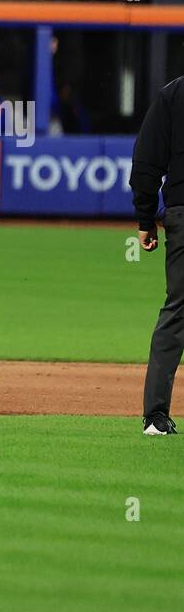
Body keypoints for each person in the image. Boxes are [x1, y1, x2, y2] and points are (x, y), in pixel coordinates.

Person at [131, 74, 184, 435]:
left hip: (182, 211)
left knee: (178, 310)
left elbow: (147, 162)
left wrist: (145, 218)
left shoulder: (174, 93)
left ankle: (155, 417)